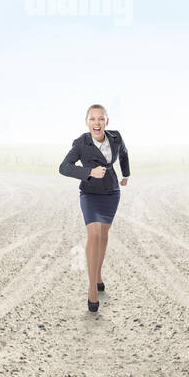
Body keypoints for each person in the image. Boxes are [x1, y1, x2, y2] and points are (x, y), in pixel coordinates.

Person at [58, 104, 129, 312]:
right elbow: (64, 167)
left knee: (104, 235)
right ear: (87, 122)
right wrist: (88, 171)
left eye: (101, 119)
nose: (96, 123)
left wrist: (126, 174)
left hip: (111, 192)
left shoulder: (116, 138)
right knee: (94, 234)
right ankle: (92, 288)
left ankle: (98, 275)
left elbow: (124, 153)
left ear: (106, 121)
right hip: (90, 193)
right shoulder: (81, 143)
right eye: (92, 119)